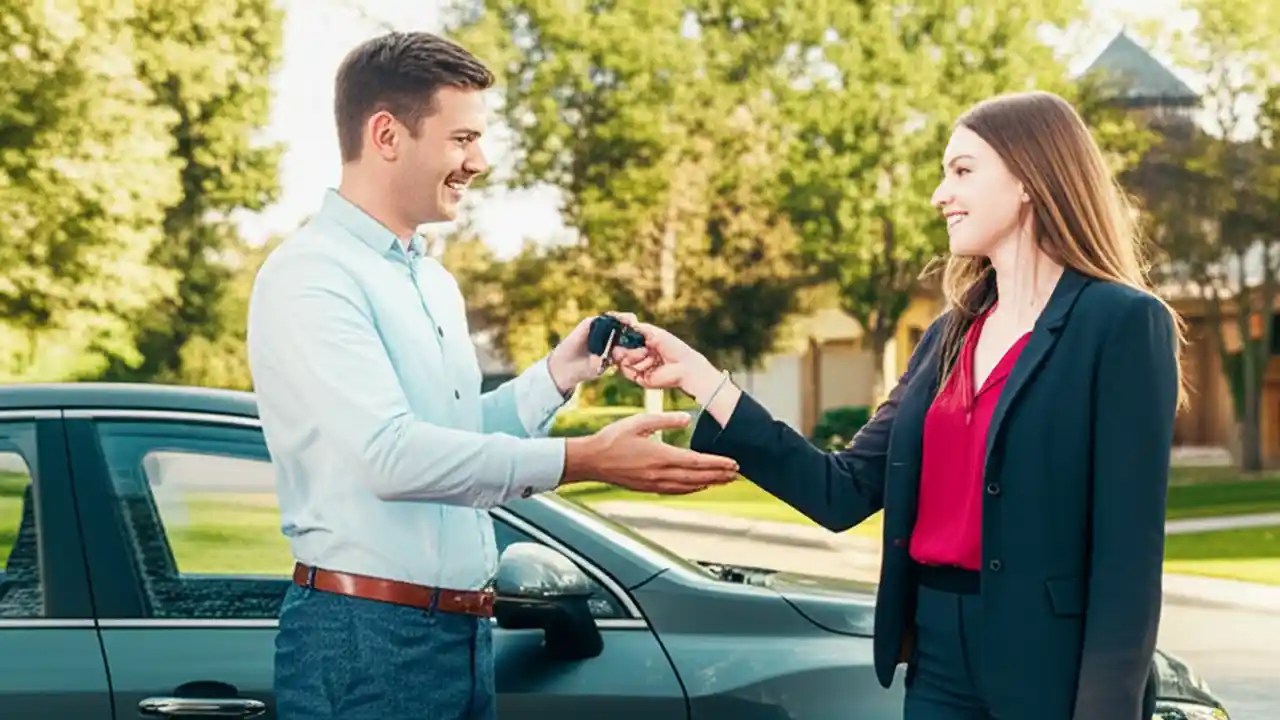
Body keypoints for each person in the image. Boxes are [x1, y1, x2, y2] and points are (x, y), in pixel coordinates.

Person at [614, 90, 1183, 720]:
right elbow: (844, 489)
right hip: (937, 657)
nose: (941, 194)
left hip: (1053, 664)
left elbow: (1127, 559)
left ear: (1030, 180)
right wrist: (699, 378)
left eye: (962, 171)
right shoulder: (947, 334)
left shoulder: (1124, 323)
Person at [245, 31, 738, 720]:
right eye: (462, 138)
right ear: (387, 134)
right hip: (365, 640)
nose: (481, 161)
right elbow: (390, 457)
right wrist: (586, 460)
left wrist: (560, 373)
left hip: (462, 637)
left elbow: (453, 442)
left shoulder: (433, 282)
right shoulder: (311, 276)